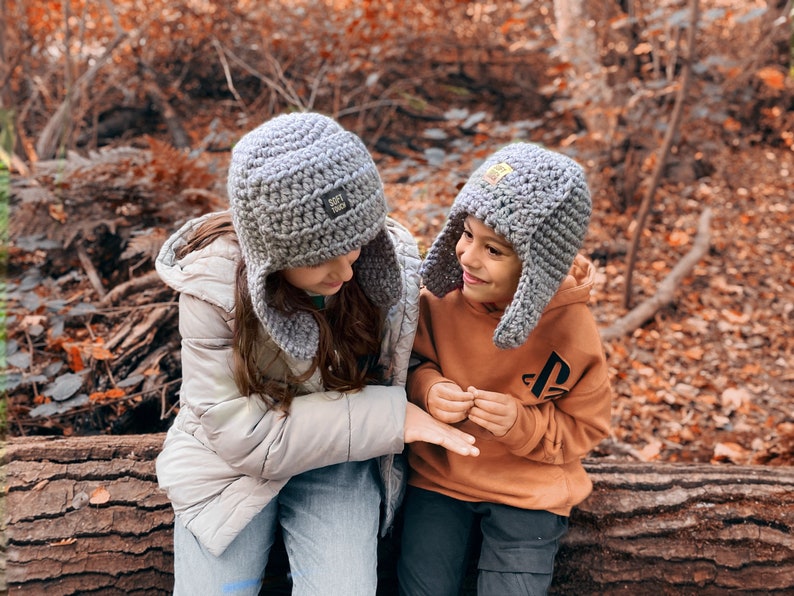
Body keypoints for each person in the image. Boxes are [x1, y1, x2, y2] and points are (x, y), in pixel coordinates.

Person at [154, 112, 479, 596]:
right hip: (229, 466)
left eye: (354, 247)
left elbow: (404, 360)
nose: (346, 272)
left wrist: (429, 390)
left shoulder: (379, 264)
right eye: (320, 256)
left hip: (342, 458)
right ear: (272, 256)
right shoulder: (212, 288)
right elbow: (242, 433)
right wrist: (394, 419)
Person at [397, 143, 612, 595]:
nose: (468, 257)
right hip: (441, 478)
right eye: (466, 234)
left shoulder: (570, 330)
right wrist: (428, 387)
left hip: (529, 490)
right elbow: (410, 363)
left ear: (538, 266)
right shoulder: (440, 299)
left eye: (493, 249)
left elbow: (587, 426)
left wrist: (523, 424)